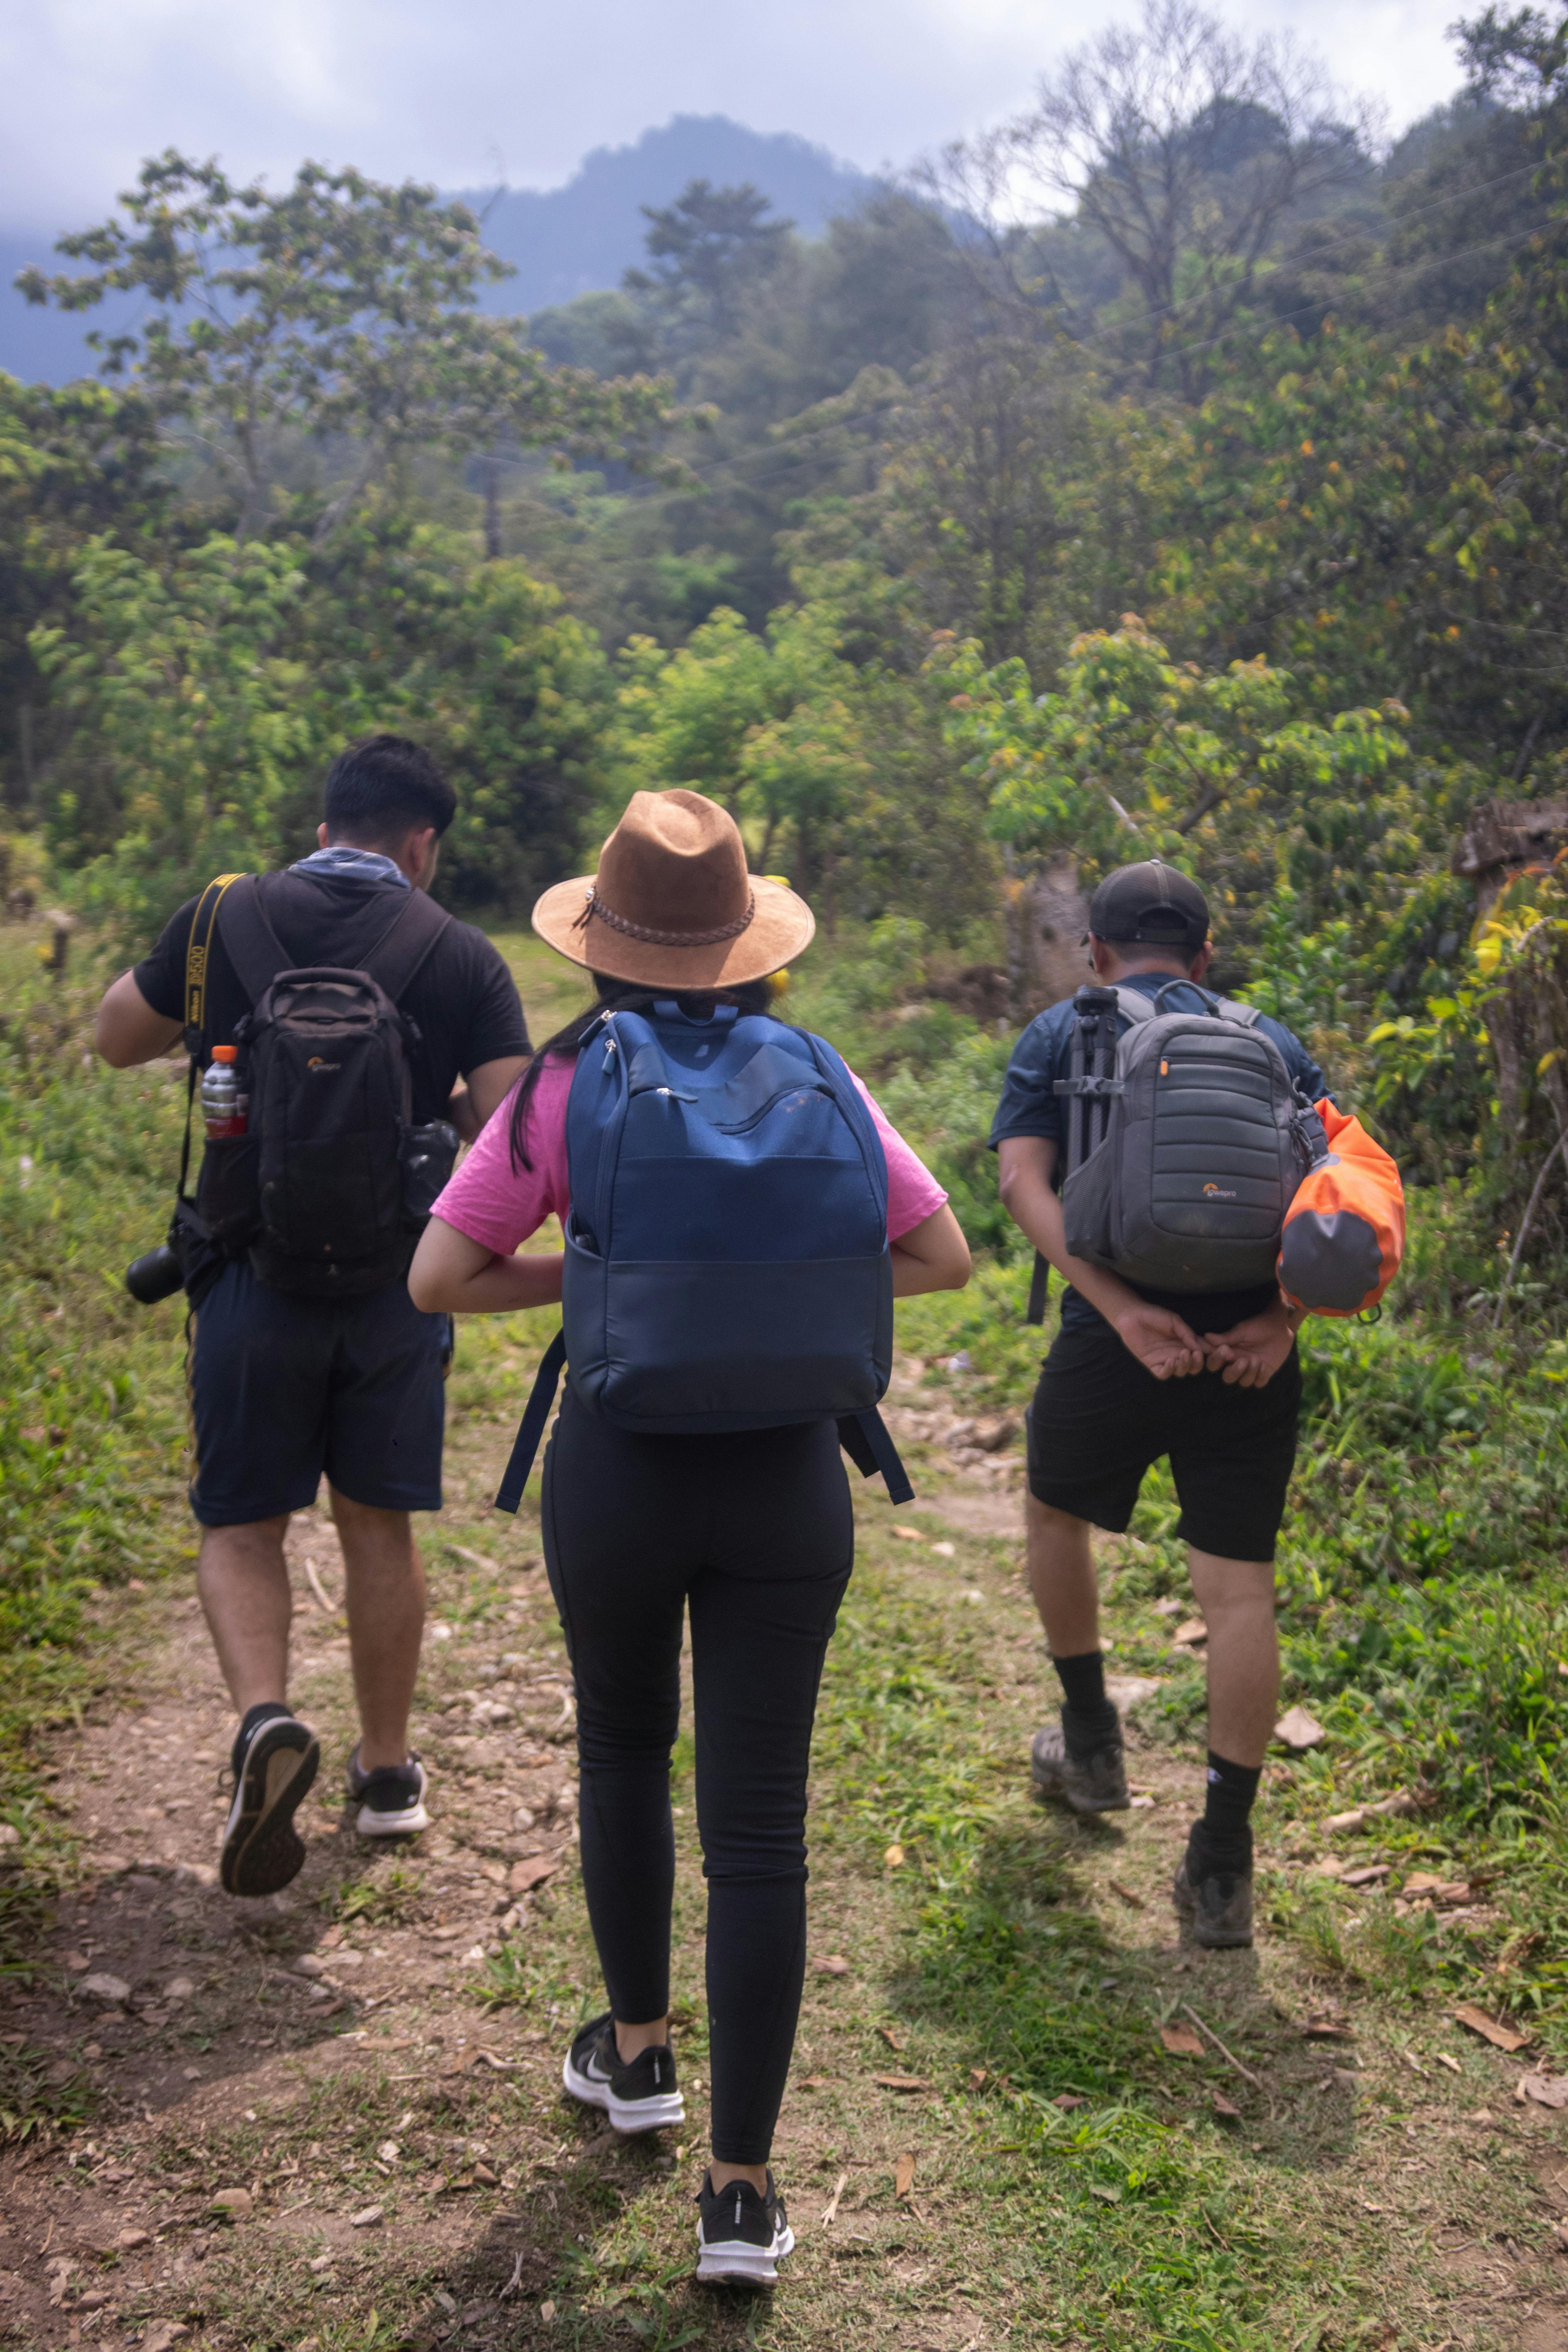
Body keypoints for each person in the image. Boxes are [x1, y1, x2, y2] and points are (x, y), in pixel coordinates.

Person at [409, 787, 970, 2286]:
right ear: (745, 948)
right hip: (788, 1482)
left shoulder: (561, 1085)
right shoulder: (820, 1072)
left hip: (621, 1468)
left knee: (618, 1752)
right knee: (762, 1830)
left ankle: (639, 2056)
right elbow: (938, 1253)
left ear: (599, 947)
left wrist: (593, 1290)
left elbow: (439, 1280)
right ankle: (738, 2196)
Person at [94, 734, 530, 1897]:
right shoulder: (462, 954)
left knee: (244, 1524)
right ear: (423, 844)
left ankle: (263, 1721)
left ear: (325, 820)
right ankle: (387, 1778)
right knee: (376, 1526)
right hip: (395, 1291)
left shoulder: (220, 918)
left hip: (247, 1275)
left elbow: (112, 1037)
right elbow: (515, 1140)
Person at [990, 859, 1328, 1949]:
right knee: (1239, 1594)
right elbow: (1347, 1209)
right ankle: (1223, 1862)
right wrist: (1282, 1322)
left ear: (1095, 951)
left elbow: (1020, 1185)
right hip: (1250, 1350)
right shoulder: (1273, 1041)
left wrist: (1123, 1309)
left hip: (1111, 1334)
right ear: (1206, 953)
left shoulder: (1063, 1033)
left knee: (1053, 1513)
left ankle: (1091, 1748)